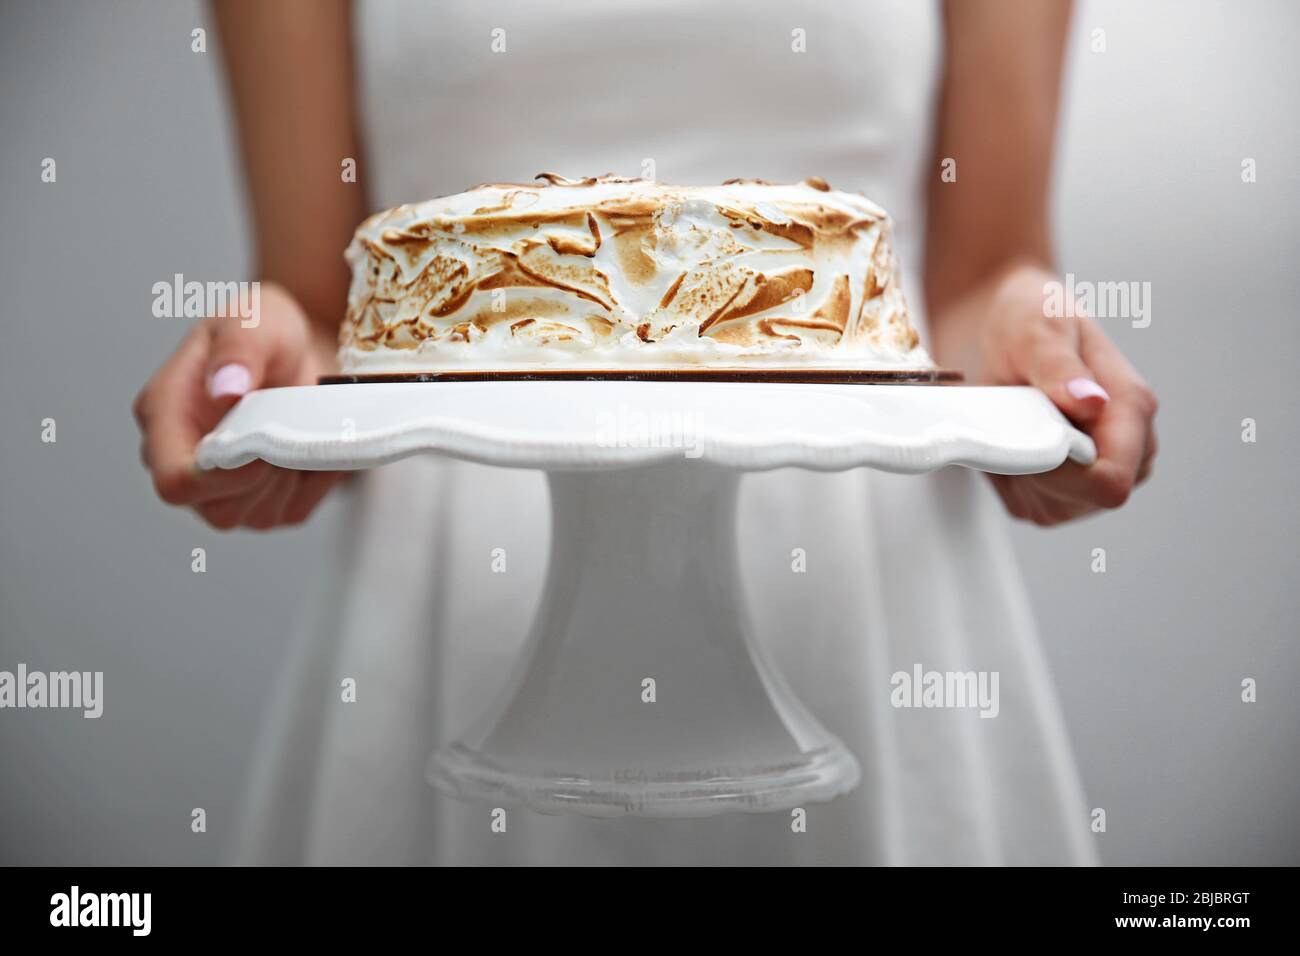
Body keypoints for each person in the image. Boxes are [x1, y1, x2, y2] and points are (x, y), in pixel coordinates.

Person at [134, 0, 1157, 864]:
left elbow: (980, 278)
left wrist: (1037, 353)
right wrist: (270, 371)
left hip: (864, 572)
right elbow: (329, 309)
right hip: (454, 569)